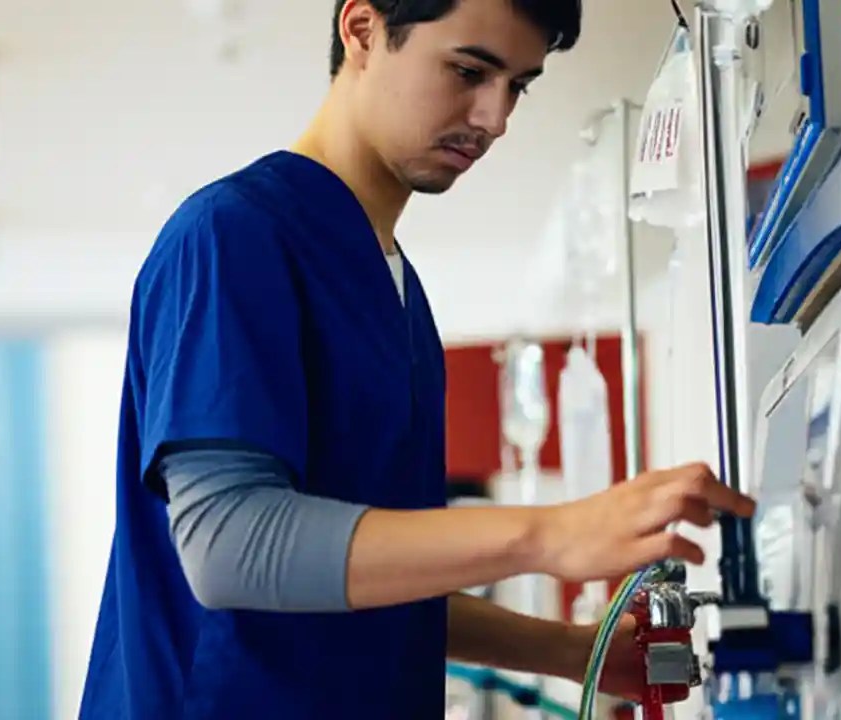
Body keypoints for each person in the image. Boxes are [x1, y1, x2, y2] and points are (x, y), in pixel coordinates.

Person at [79, 1, 757, 718]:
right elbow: (231, 546)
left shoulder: (397, 292)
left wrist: (567, 649)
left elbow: (360, 576)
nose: (495, 118)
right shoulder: (232, 236)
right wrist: (551, 533)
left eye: (518, 86)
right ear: (363, 30)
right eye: (469, 71)